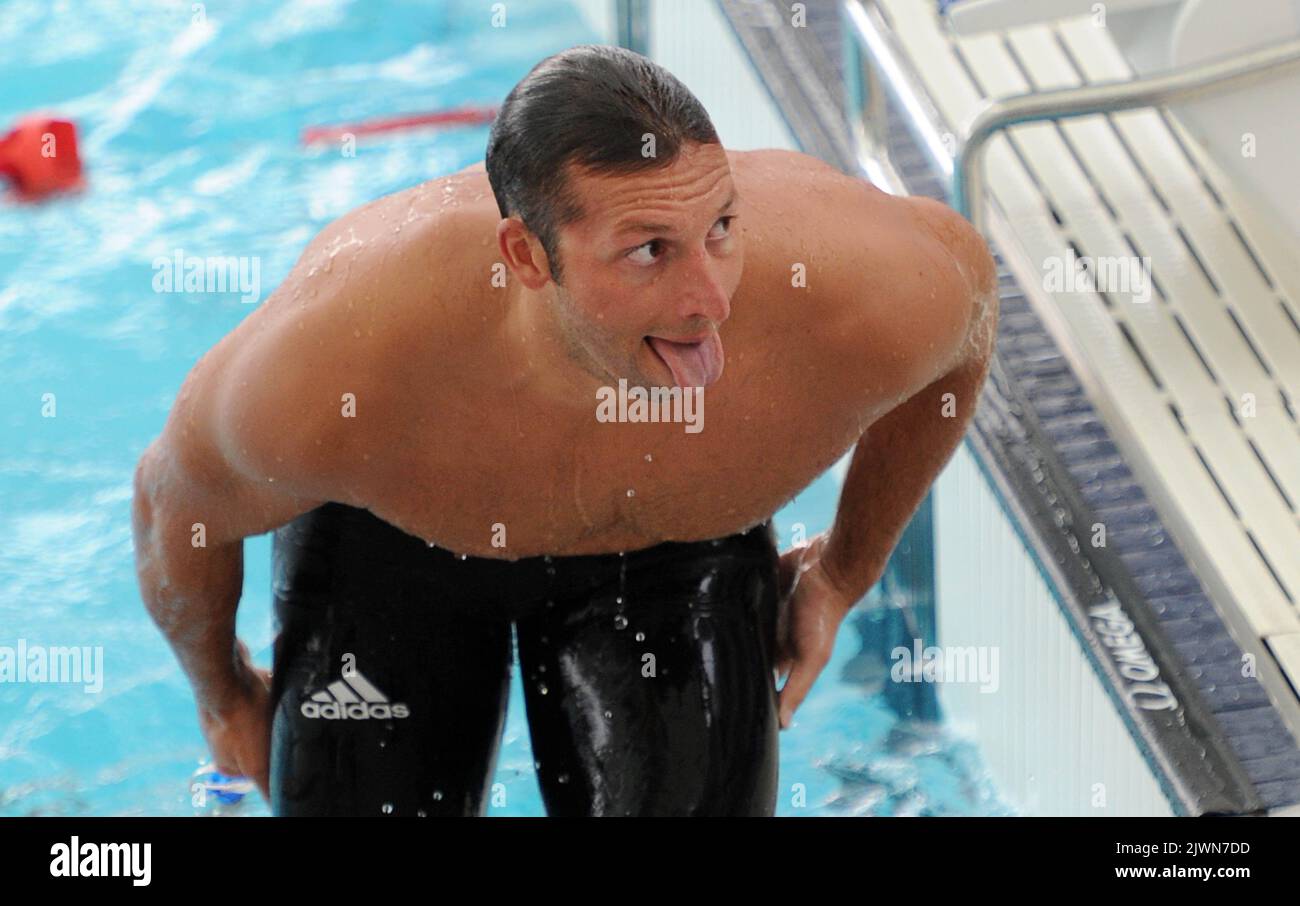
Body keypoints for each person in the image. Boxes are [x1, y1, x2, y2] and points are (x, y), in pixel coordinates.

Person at [131, 44, 997, 816]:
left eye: (721, 229)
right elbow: (175, 504)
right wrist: (224, 699)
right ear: (527, 257)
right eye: (650, 251)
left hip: (674, 543)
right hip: (395, 541)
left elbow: (968, 330)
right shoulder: (342, 366)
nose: (712, 302)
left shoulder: (858, 289)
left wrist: (845, 570)